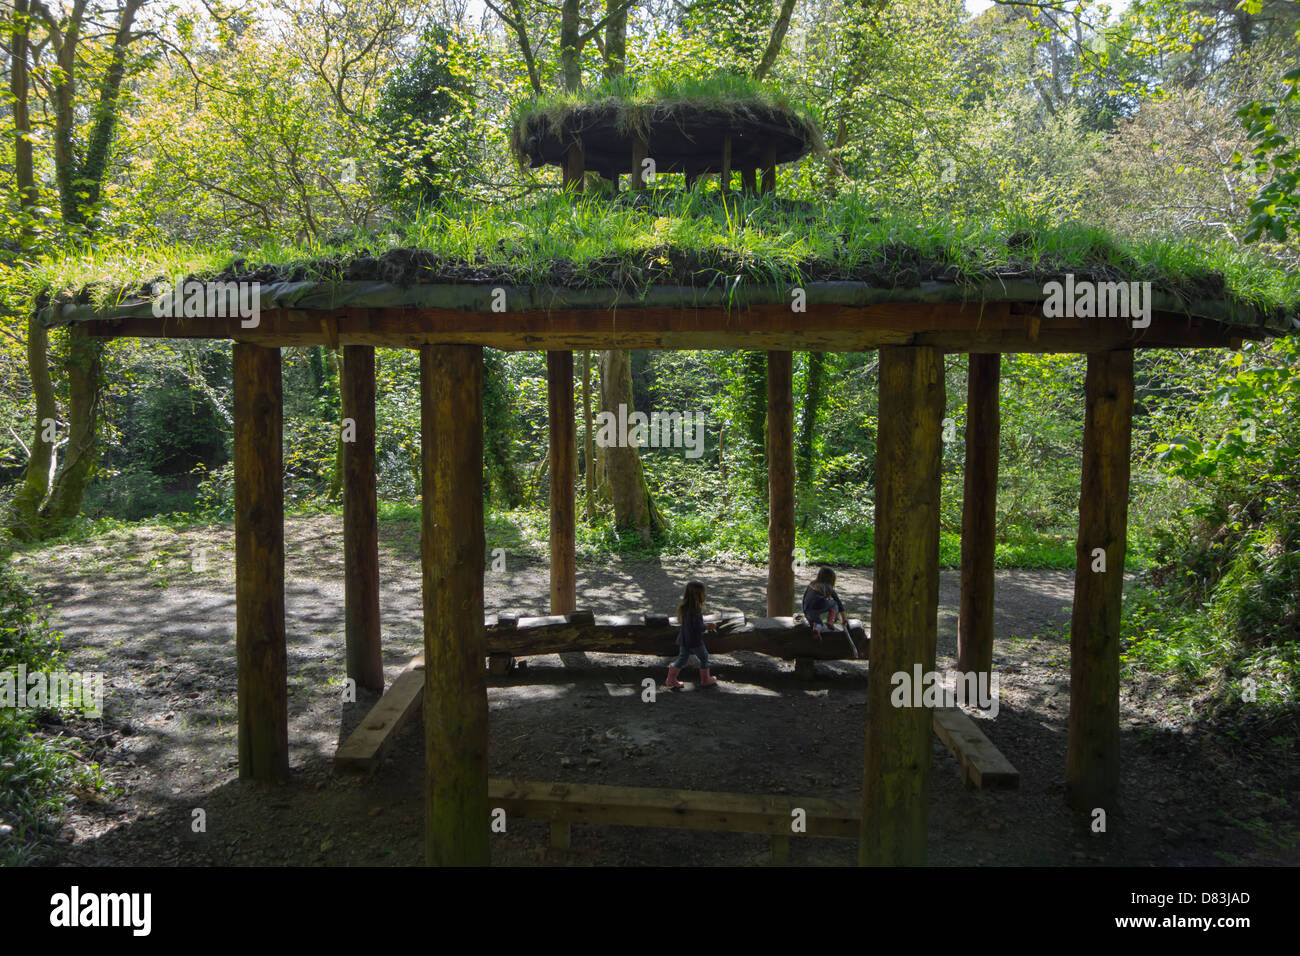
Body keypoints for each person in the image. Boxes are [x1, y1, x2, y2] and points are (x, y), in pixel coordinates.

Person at [664, 580, 719, 689]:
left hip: (684, 639)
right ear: (699, 596)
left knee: (682, 659)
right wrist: (709, 626)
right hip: (694, 641)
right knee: (704, 657)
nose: (705, 595)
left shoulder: (684, 608)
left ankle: (671, 679)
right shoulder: (695, 610)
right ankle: (705, 679)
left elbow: (685, 623)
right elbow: (698, 627)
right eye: (704, 593)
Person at [802, 566, 846, 638]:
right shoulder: (827, 587)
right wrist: (844, 618)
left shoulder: (812, 584)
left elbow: (804, 598)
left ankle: (816, 630)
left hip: (807, 609)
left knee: (818, 623)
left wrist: (805, 612)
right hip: (818, 606)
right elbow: (838, 602)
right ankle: (830, 621)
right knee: (834, 603)